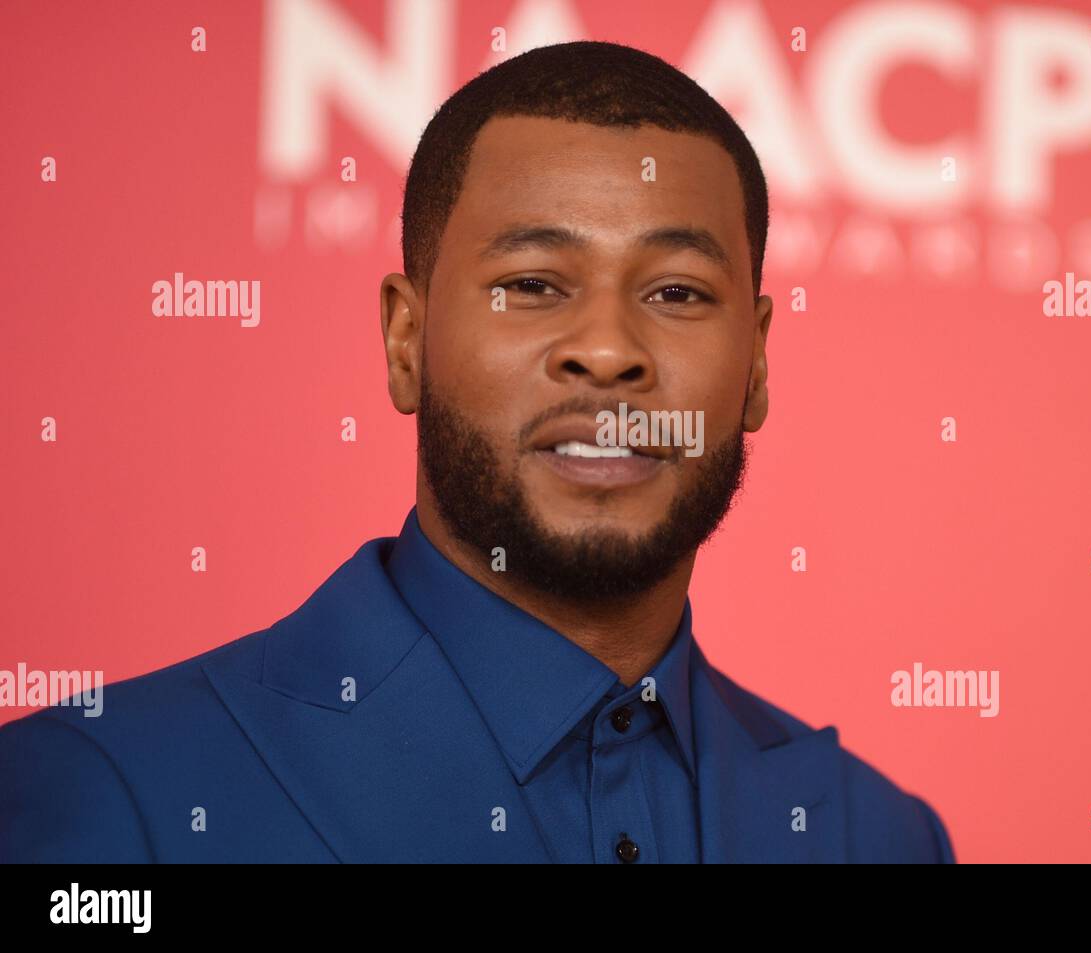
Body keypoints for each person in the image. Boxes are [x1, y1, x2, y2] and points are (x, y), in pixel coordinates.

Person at [0, 40, 954, 863]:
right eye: (533, 282)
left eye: (676, 293)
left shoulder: (874, 836)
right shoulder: (104, 789)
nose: (610, 350)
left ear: (754, 366)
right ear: (405, 341)